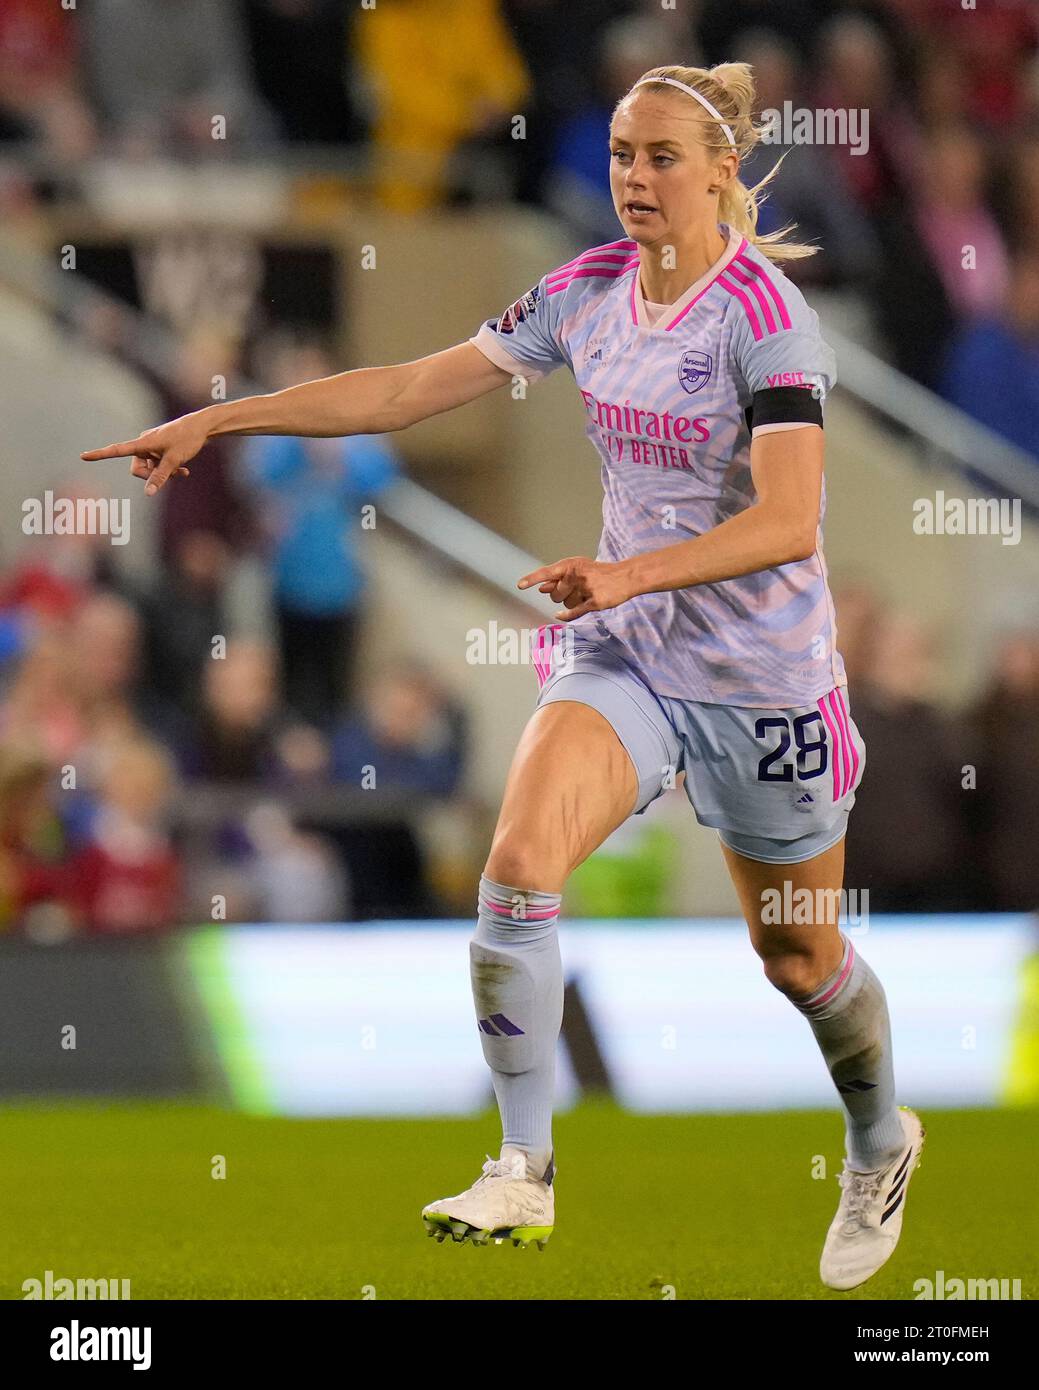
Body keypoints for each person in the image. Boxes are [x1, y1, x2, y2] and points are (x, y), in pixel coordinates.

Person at [81, 61, 923, 1292]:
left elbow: (791, 522)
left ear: (719, 171)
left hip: (759, 680)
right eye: (623, 154)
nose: (632, 178)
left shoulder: (766, 324)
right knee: (519, 864)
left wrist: (634, 574)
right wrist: (225, 416)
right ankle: (522, 1166)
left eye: (660, 158)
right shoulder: (584, 293)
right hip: (625, 651)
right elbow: (411, 388)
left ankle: (876, 1136)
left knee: (796, 959)